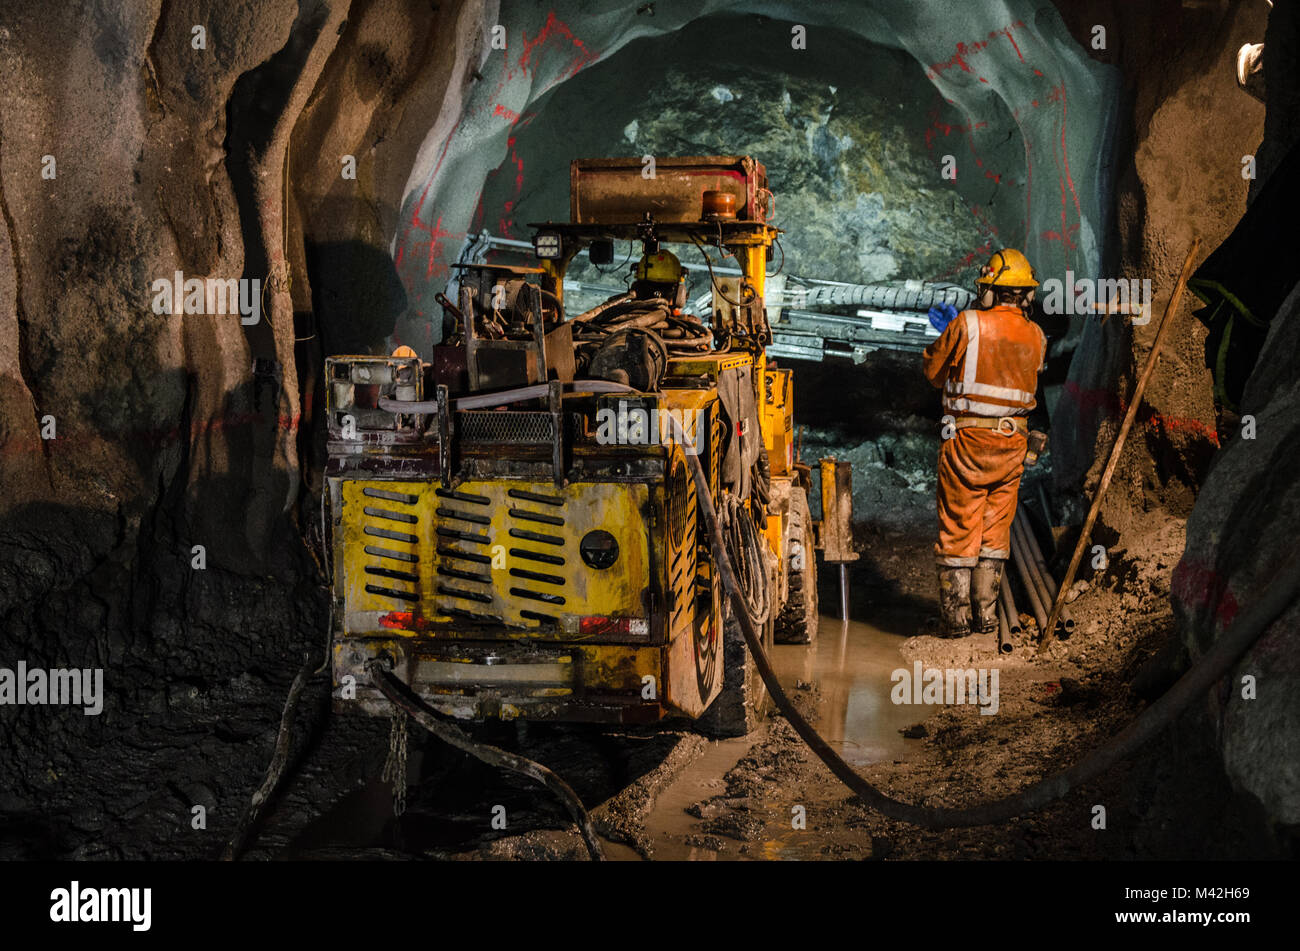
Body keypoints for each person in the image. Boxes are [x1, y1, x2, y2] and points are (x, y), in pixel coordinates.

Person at [921, 249, 1047, 637]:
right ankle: (987, 616)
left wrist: (947, 335)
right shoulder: (1037, 335)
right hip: (1014, 444)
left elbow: (933, 373)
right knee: (996, 527)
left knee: (960, 521)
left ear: (989, 290)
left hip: (969, 441)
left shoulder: (967, 324)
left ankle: (955, 619)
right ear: (1025, 295)